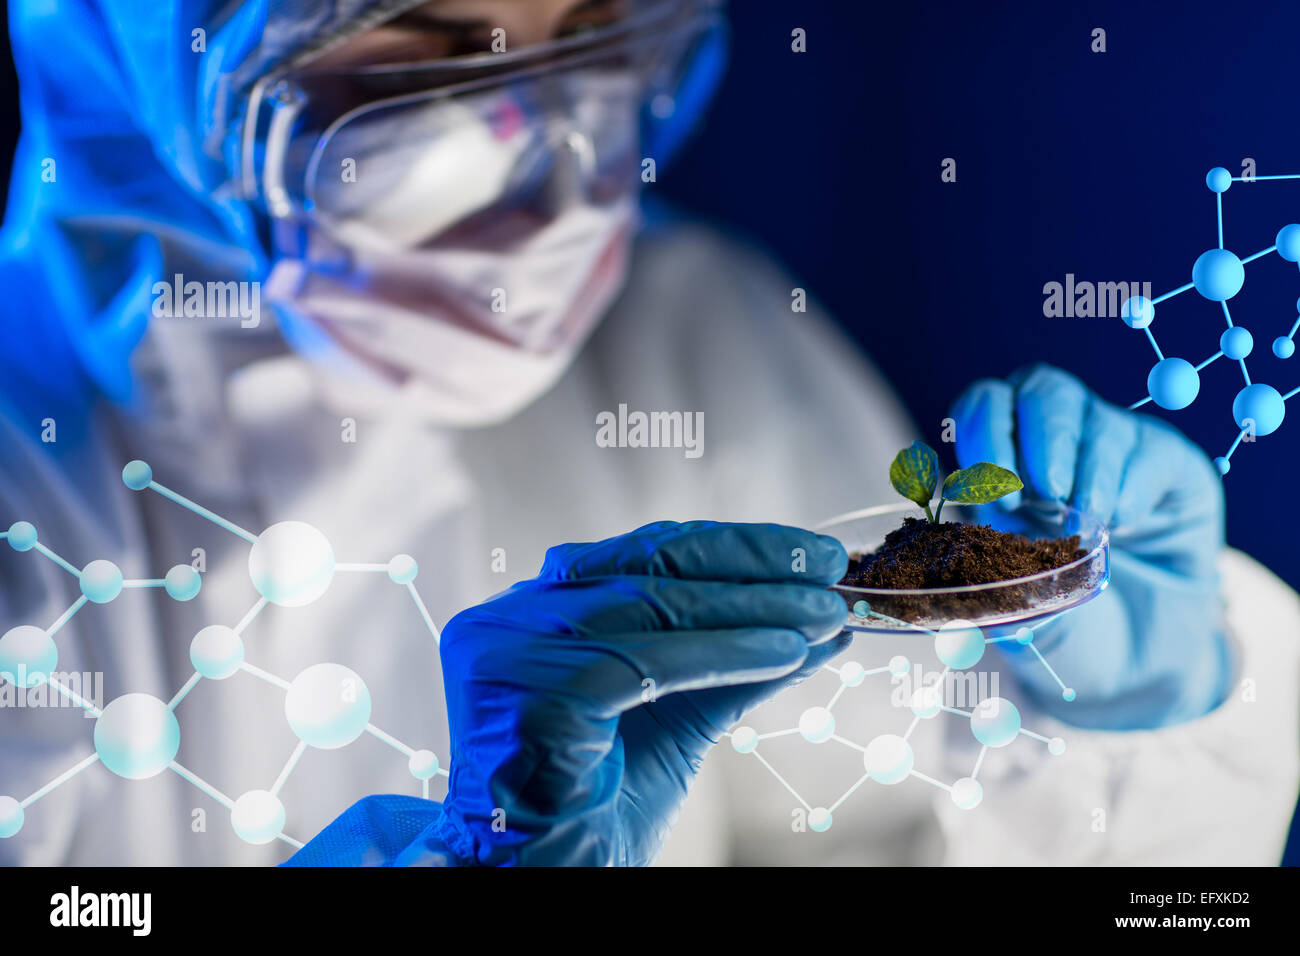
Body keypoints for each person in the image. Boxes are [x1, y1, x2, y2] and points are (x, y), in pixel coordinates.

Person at [0, 0, 1296, 867]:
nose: (555, 175)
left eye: (595, 29)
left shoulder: (699, 334)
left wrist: (1127, 729)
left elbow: (899, 833)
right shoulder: (29, 480)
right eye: (420, 46)